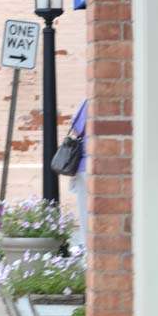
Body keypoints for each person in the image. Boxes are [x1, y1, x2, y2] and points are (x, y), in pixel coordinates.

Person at [69, 99, 89, 247]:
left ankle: (88, 251)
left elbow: (76, 129)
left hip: (85, 166)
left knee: (86, 215)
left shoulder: (87, 103)